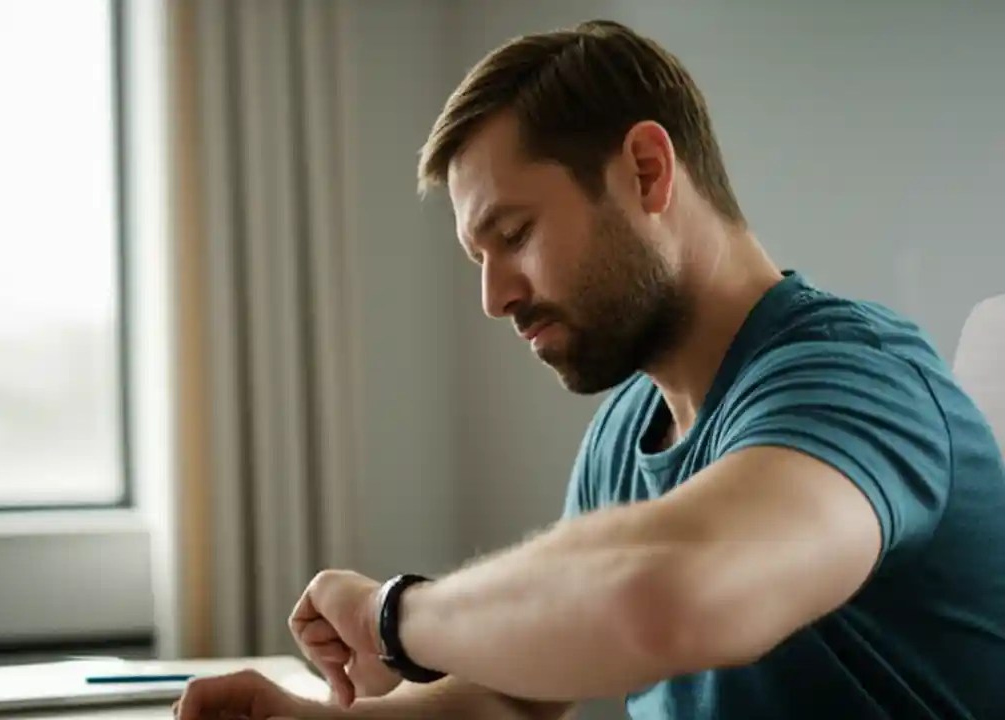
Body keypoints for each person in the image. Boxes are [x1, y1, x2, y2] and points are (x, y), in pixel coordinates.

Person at [175, 19, 1005, 720]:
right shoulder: (626, 430)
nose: (494, 296)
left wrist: (391, 616)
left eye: (515, 234)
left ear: (646, 171)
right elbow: (511, 700)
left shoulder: (856, 381)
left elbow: (668, 594)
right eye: (478, 255)